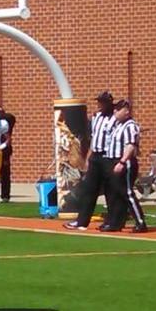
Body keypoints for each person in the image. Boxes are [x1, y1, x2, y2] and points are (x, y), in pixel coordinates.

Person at [64, 91, 117, 231]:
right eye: (99, 102)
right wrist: (88, 158)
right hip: (96, 156)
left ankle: (111, 221)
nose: (99, 105)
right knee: (89, 189)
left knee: (110, 190)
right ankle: (81, 221)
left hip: (109, 156)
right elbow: (94, 139)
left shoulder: (115, 118)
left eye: (102, 102)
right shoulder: (96, 117)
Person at [103, 99, 148, 233]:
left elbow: (130, 146)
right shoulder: (117, 125)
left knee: (127, 193)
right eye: (123, 109)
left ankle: (140, 222)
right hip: (114, 160)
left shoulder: (130, 126)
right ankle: (116, 222)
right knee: (116, 193)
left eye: (127, 110)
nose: (127, 112)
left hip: (125, 162)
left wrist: (122, 162)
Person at [0, 110, 16, 202]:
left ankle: (5, 195)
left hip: (4, 150)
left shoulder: (6, 123)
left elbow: (11, 117)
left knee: (5, 173)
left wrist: (1, 114)